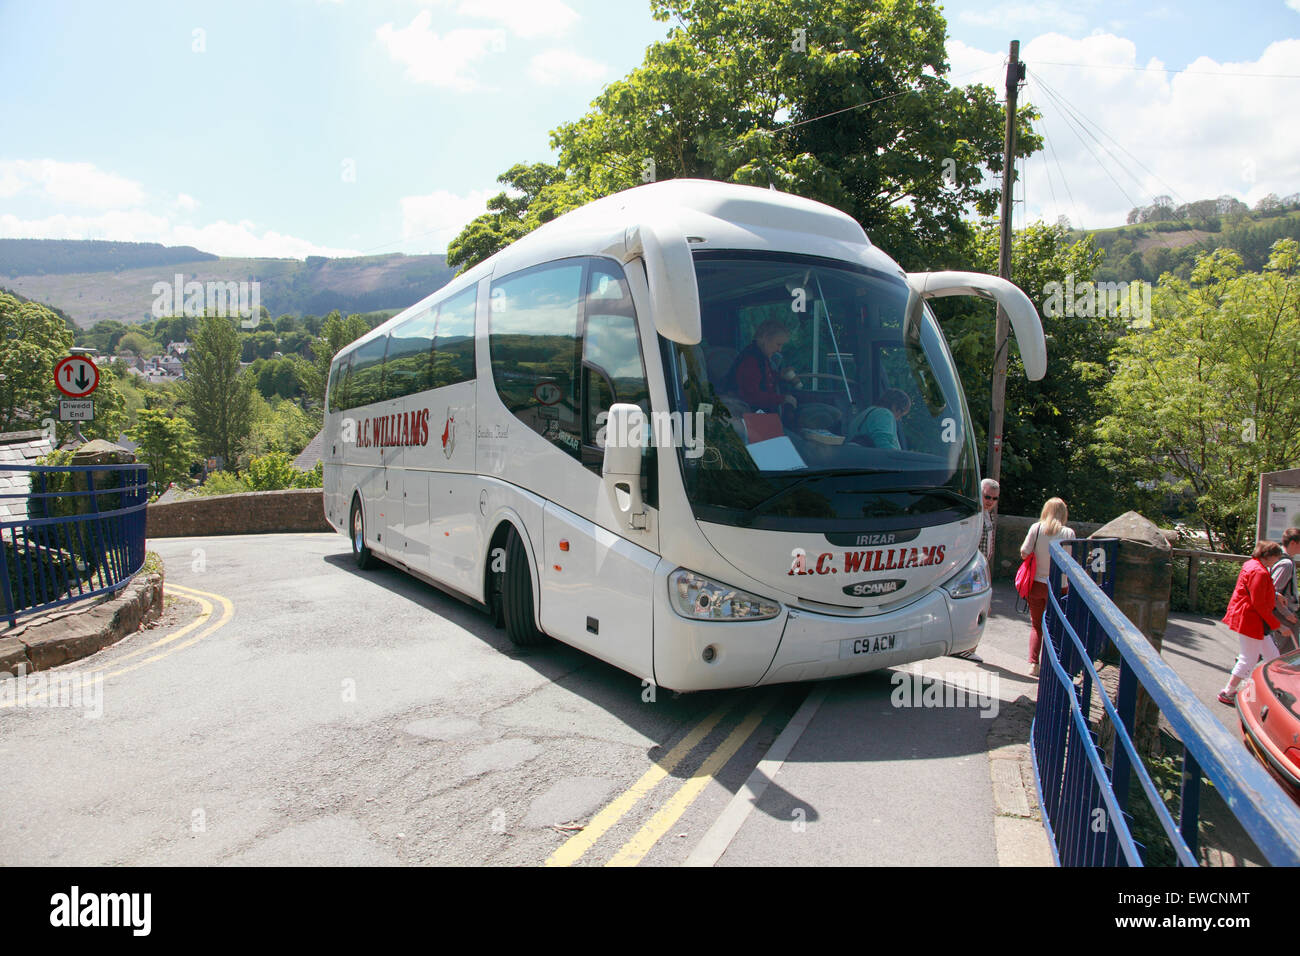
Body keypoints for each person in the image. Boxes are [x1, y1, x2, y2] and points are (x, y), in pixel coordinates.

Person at [1218, 540, 1295, 704]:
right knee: (1249, 658)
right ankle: (1228, 692)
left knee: (1273, 657)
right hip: (1251, 620)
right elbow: (1259, 604)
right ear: (1269, 556)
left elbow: (1257, 592)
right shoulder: (1260, 572)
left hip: (1250, 618)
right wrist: (1278, 625)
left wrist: (1275, 595)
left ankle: (1272, 691)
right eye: (1276, 558)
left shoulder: (1252, 565)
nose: (1277, 562)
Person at [1021, 498, 1075, 677]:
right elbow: (1070, 561)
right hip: (1059, 586)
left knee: (1037, 626)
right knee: (1055, 626)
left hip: (1036, 583)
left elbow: (1024, 552)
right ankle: (1053, 667)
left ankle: (1033, 664)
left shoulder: (1036, 528)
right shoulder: (1068, 533)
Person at [725, 318, 798, 414]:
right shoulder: (750, 360)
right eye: (778, 344)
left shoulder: (762, 357)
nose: (780, 350)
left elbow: (764, 378)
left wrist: (780, 375)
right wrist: (783, 399)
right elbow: (752, 396)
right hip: (749, 415)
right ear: (765, 338)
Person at [1269, 527, 1300, 655]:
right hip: (1284, 615)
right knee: (1284, 655)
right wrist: (1287, 613)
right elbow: (1272, 592)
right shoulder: (1286, 564)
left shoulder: (1281, 559)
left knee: (1287, 653)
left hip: (1285, 614)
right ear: (1293, 543)